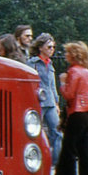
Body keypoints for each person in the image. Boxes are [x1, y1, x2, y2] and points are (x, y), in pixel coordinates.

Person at [53, 41, 88, 175]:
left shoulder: (73, 72)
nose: (65, 55)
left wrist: (62, 82)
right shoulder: (87, 72)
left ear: (74, 55)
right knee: (86, 152)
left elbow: (69, 95)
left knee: (69, 150)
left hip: (78, 113)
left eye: (67, 53)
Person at [27, 33, 62, 165]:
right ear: (41, 47)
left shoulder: (50, 64)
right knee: (34, 132)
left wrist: (57, 103)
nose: (51, 49)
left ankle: (56, 161)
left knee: (57, 132)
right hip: (38, 102)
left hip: (51, 103)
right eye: (49, 47)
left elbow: (52, 85)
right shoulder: (33, 63)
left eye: (53, 47)